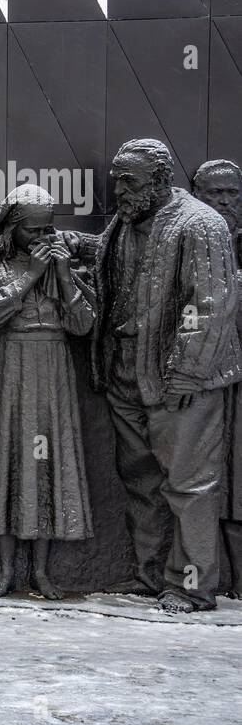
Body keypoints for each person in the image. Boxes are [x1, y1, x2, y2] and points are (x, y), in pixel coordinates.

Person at [85, 140, 240, 613]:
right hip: (126, 371)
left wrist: (188, 371)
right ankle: (149, 575)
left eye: (128, 180)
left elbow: (212, 306)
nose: (118, 190)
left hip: (179, 377)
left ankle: (191, 586)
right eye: (116, 179)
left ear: (159, 179)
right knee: (140, 480)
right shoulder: (126, 221)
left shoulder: (201, 224)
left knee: (190, 485)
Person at [0, 185, 94, 598]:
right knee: (10, 466)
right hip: (9, 370)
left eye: (47, 229)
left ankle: (41, 571)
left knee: (47, 468)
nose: (40, 238)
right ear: (13, 229)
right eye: (32, 230)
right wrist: (31, 275)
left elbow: (83, 325)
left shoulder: (63, 266)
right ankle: (4, 572)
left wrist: (65, 276)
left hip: (52, 370)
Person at [192, 159, 242, 598]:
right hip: (209, 377)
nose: (225, 202)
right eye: (215, 194)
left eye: (232, 194)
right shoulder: (193, 244)